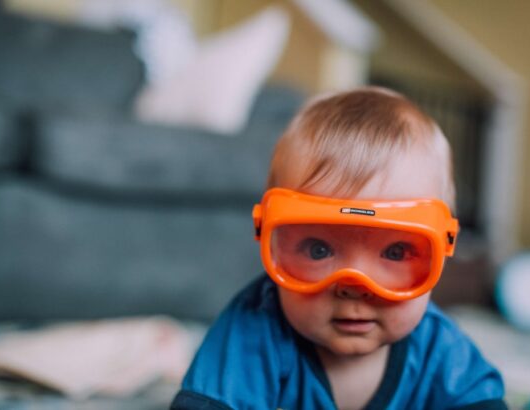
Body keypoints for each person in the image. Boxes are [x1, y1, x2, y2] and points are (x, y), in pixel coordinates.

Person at [170, 87, 507, 410]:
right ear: (267, 234)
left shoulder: (440, 350)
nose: (353, 286)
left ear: (445, 246)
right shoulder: (253, 333)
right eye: (318, 250)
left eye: (395, 252)